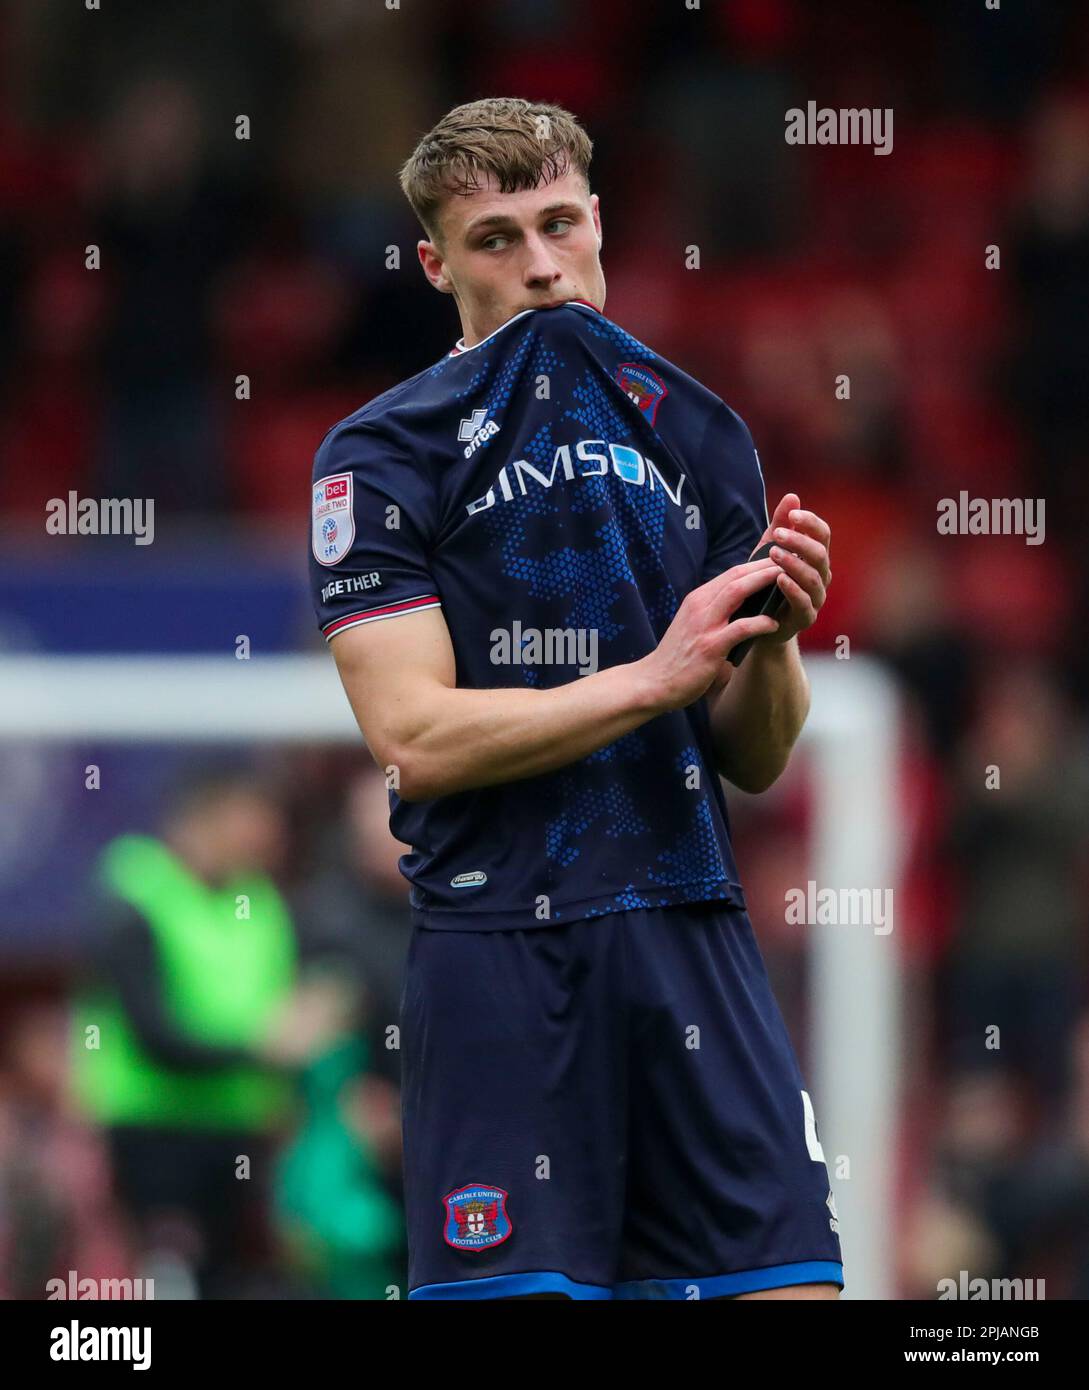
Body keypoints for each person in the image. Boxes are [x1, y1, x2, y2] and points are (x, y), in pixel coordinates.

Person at [309, 97, 839, 1301]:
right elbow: (416, 738)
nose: (542, 266)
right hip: (503, 955)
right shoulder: (382, 455)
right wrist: (654, 678)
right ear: (437, 263)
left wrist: (775, 646)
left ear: (599, 223)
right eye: (497, 239)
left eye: (560, 224)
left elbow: (753, 756)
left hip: (691, 933)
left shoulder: (698, 429)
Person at [70, 764, 353, 1298]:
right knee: (169, 1276)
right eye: (249, 822)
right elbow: (154, 1035)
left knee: (230, 1276)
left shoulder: (262, 901)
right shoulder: (135, 893)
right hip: (154, 1130)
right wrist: (263, 1047)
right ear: (200, 822)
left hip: (240, 1129)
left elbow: (301, 997)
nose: (266, 838)